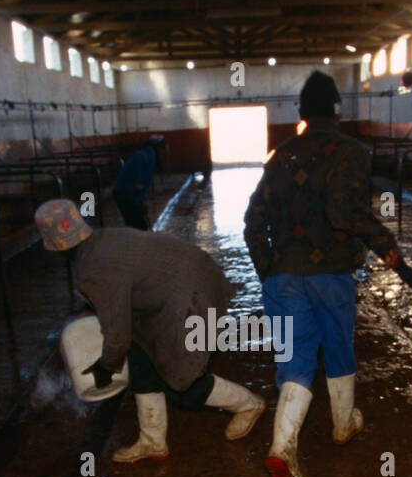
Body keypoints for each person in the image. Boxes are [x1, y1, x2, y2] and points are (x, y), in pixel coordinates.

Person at [243, 71, 402, 477]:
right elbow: (342, 210)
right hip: (331, 272)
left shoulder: (280, 156)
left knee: (295, 359)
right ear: (337, 108)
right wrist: (383, 240)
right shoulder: (352, 152)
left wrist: (268, 269)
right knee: (338, 345)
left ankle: (282, 447)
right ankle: (342, 424)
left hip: (285, 274)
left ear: (301, 112)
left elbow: (253, 219)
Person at [34, 198, 265, 462]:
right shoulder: (102, 238)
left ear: (54, 246)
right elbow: (123, 286)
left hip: (189, 300)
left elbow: (117, 335)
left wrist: (105, 368)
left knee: (181, 383)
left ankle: (248, 404)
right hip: (188, 281)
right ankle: (152, 441)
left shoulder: (92, 269)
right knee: (141, 357)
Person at [112, 135, 165, 231]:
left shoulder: (150, 156)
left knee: (137, 223)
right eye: (161, 148)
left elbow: (142, 184)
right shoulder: (143, 155)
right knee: (137, 225)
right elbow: (137, 178)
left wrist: (143, 201)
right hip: (124, 192)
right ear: (157, 147)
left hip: (130, 193)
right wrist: (138, 186)